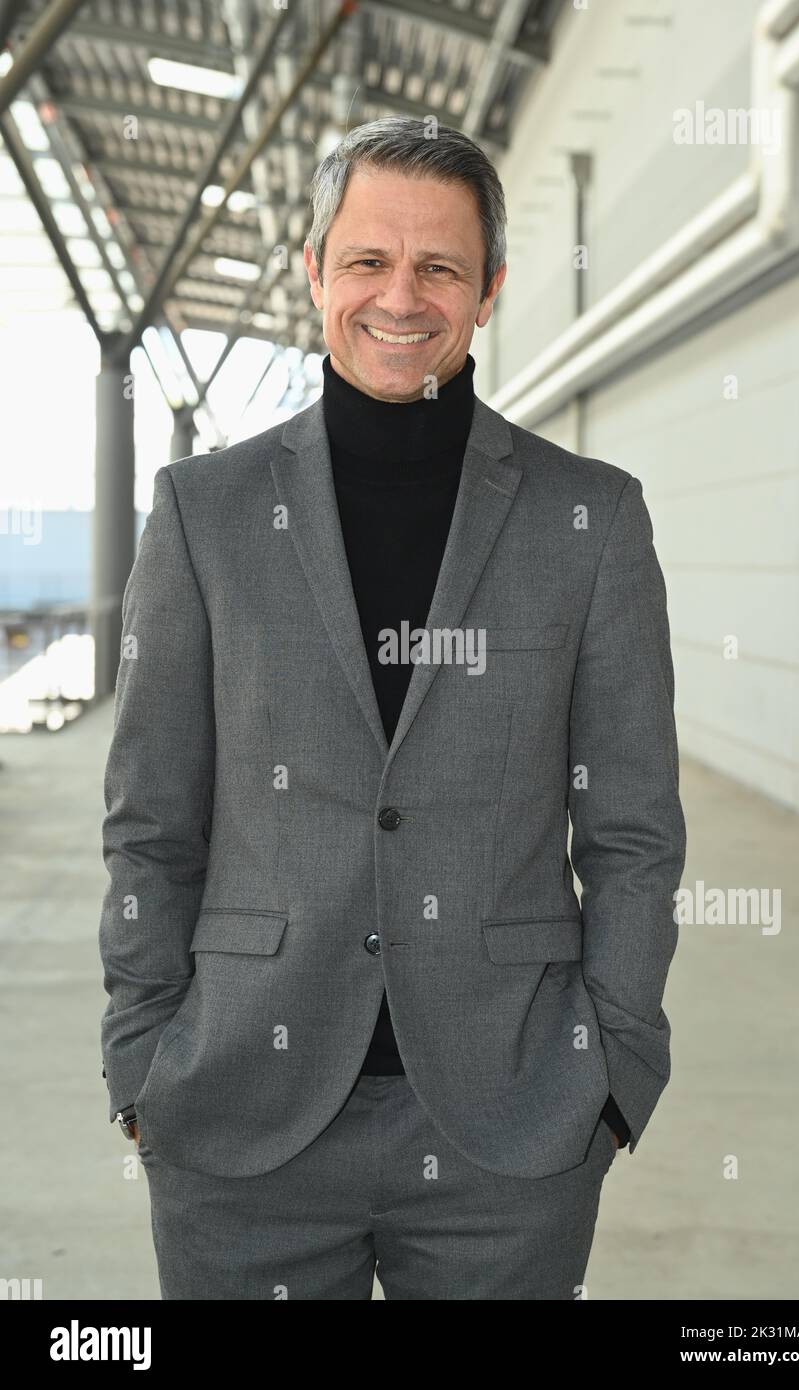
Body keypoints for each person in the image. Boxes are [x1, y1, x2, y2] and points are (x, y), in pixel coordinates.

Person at [99, 116, 686, 1300]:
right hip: (240, 1120)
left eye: (439, 267)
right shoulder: (204, 515)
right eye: (366, 259)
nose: (399, 296)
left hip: (512, 1125)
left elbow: (632, 833)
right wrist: (141, 1058)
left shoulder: (592, 519)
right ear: (313, 271)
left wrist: (611, 1069)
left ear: (489, 291)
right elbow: (151, 820)